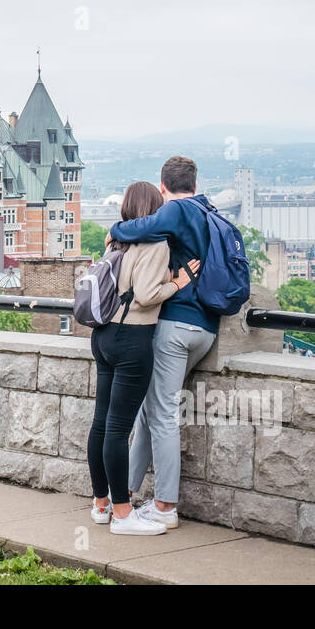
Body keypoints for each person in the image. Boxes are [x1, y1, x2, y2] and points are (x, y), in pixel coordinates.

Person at [107, 155, 218, 530]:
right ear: (196, 184)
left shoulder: (176, 211)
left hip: (176, 326)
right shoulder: (208, 211)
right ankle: (125, 494)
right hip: (206, 328)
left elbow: (140, 227)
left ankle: (165, 506)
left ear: (162, 187)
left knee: (164, 414)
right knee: (148, 411)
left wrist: (116, 230)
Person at [88, 181, 199, 535]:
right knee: (120, 428)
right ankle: (123, 515)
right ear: (155, 210)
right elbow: (148, 294)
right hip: (133, 338)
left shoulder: (115, 241)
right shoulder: (155, 244)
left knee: (102, 423)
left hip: (102, 334)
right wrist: (178, 284)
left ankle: (101, 504)